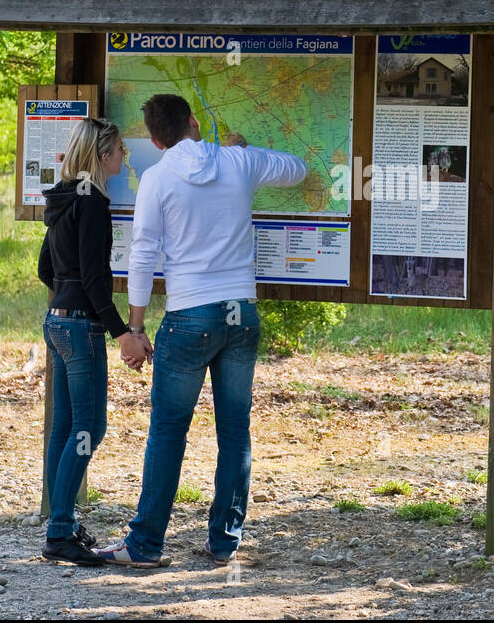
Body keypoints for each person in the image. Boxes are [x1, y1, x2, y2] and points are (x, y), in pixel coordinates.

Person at [96, 94, 307, 567]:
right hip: (240, 312)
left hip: (189, 315)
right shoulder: (238, 161)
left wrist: (135, 326)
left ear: (155, 140)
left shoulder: (156, 178)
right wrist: (242, 151)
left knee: (169, 431)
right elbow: (295, 169)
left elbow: (145, 253)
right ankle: (224, 542)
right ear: (194, 122)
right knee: (235, 431)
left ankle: (146, 544)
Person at [37, 116, 153, 566]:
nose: (124, 156)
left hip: (56, 322)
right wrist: (122, 332)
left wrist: (71, 298)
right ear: (103, 155)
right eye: (120, 150)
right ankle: (60, 532)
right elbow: (94, 278)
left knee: (65, 428)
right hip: (81, 327)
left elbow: (46, 269)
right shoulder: (93, 204)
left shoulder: (63, 198)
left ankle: (61, 523)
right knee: (89, 427)